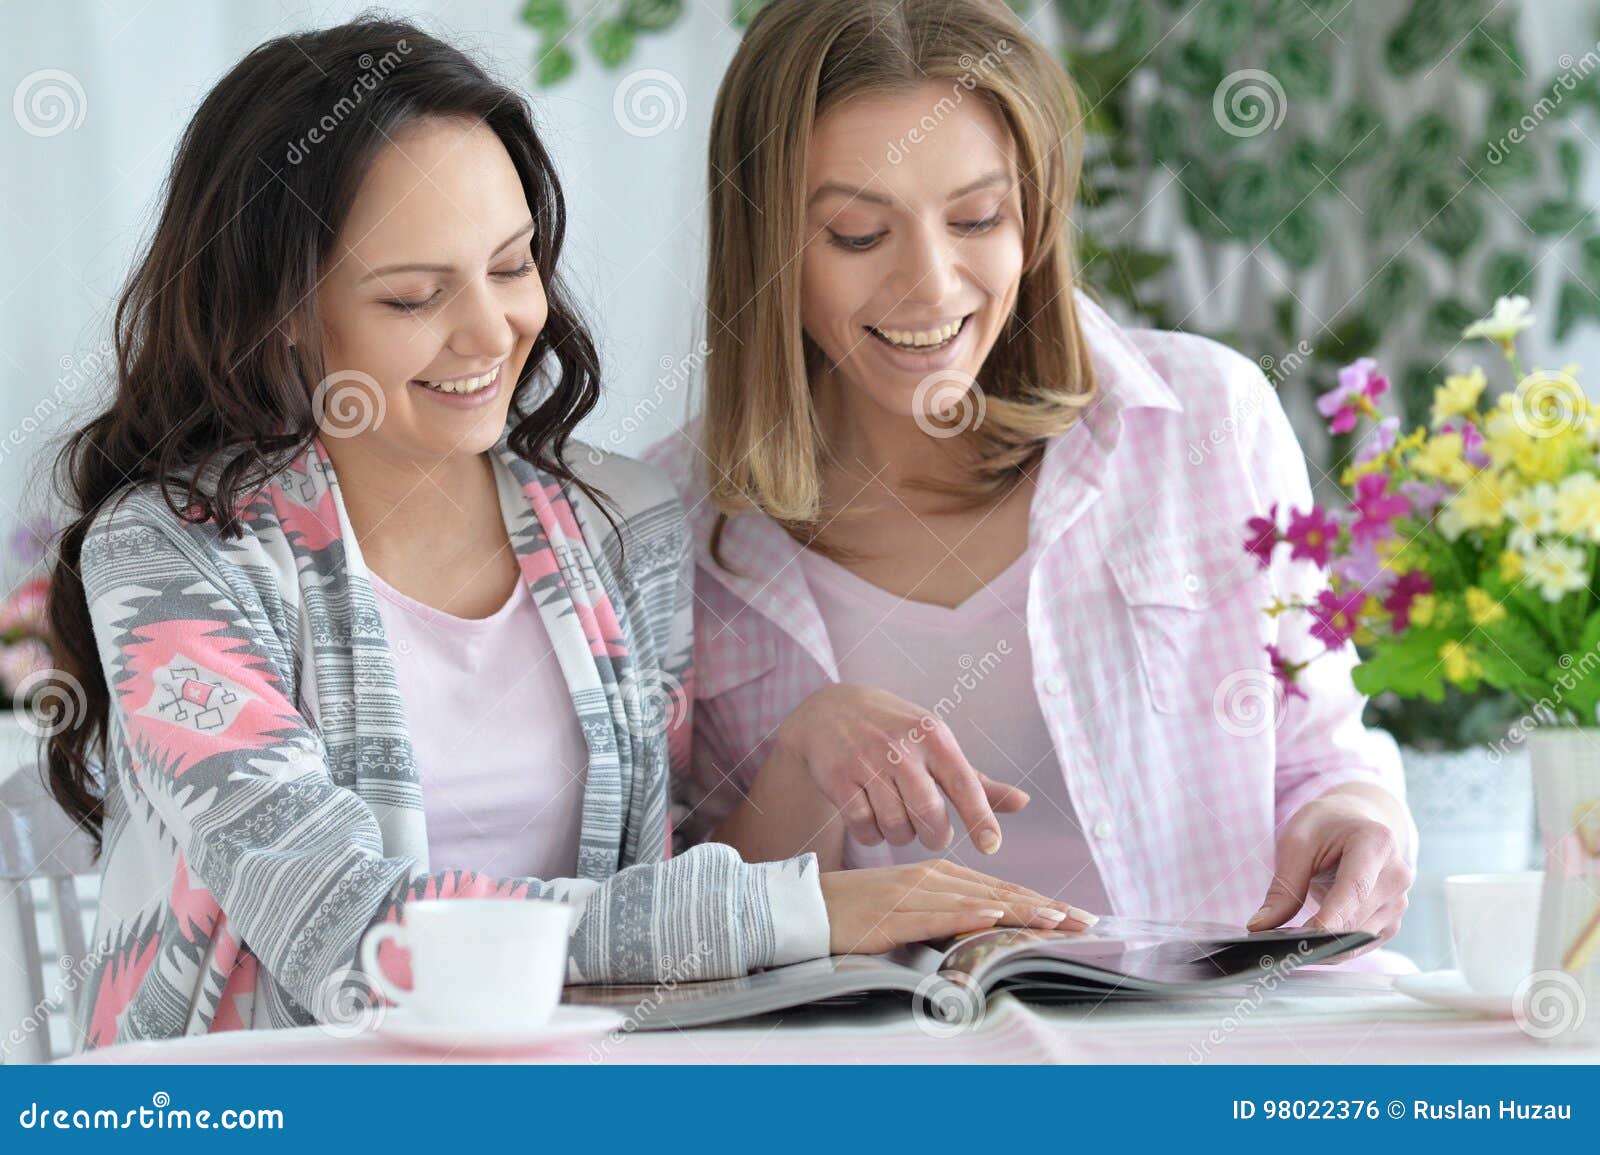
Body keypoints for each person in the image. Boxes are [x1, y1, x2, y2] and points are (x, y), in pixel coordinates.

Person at [44, 17, 1082, 1051]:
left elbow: (658, 900)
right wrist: (796, 910)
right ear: (282, 310)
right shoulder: (172, 554)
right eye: (413, 296)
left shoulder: (620, 522)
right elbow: (344, 932)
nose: (490, 331)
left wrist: (805, 759)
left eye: (511, 267)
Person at [648, 0, 1417, 960]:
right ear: (764, 244)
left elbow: (1325, 756)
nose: (931, 285)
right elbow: (679, 928)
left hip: (1203, 1031)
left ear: (1037, 215)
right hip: (881, 1049)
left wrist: (1360, 816)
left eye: (978, 218)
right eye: (856, 233)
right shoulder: (670, 523)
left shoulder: (1207, 420)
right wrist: (801, 763)